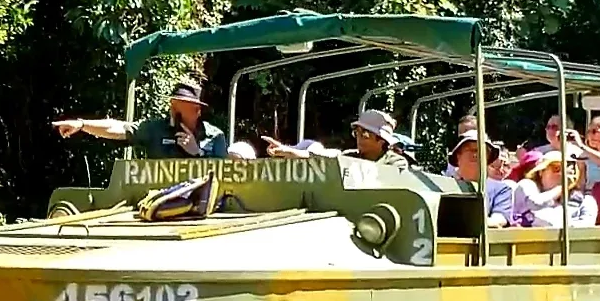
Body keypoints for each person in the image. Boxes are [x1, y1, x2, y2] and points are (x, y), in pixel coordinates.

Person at [52, 81, 227, 159]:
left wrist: (197, 153)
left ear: (197, 111)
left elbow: (226, 177)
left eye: (180, 109)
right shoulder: (155, 129)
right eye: (172, 107)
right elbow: (120, 128)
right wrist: (82, 124)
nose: (173, 112)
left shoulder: (215, 136)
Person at [262, 109, 409, 169]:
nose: (358, 138)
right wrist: (286, 150)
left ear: (381, 140)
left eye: (365, 134)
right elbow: (319, 156)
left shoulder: (396, 163)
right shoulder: (350, 156)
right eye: (356, 133)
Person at [511, 147, 597, 228]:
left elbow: (585, 228)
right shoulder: (527, 185)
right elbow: (535, 203)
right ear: (541, 172)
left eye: (568, 171)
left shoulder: (584, 201)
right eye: (556, 168)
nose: (562, 174)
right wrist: (562, 187)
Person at [449, 130, 514, 228]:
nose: (477, 155)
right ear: (458, 156)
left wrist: (470, 223)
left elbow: (499, 219)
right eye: (471, 150)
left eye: (483, 151)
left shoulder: (501, 190)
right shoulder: (445, 187)